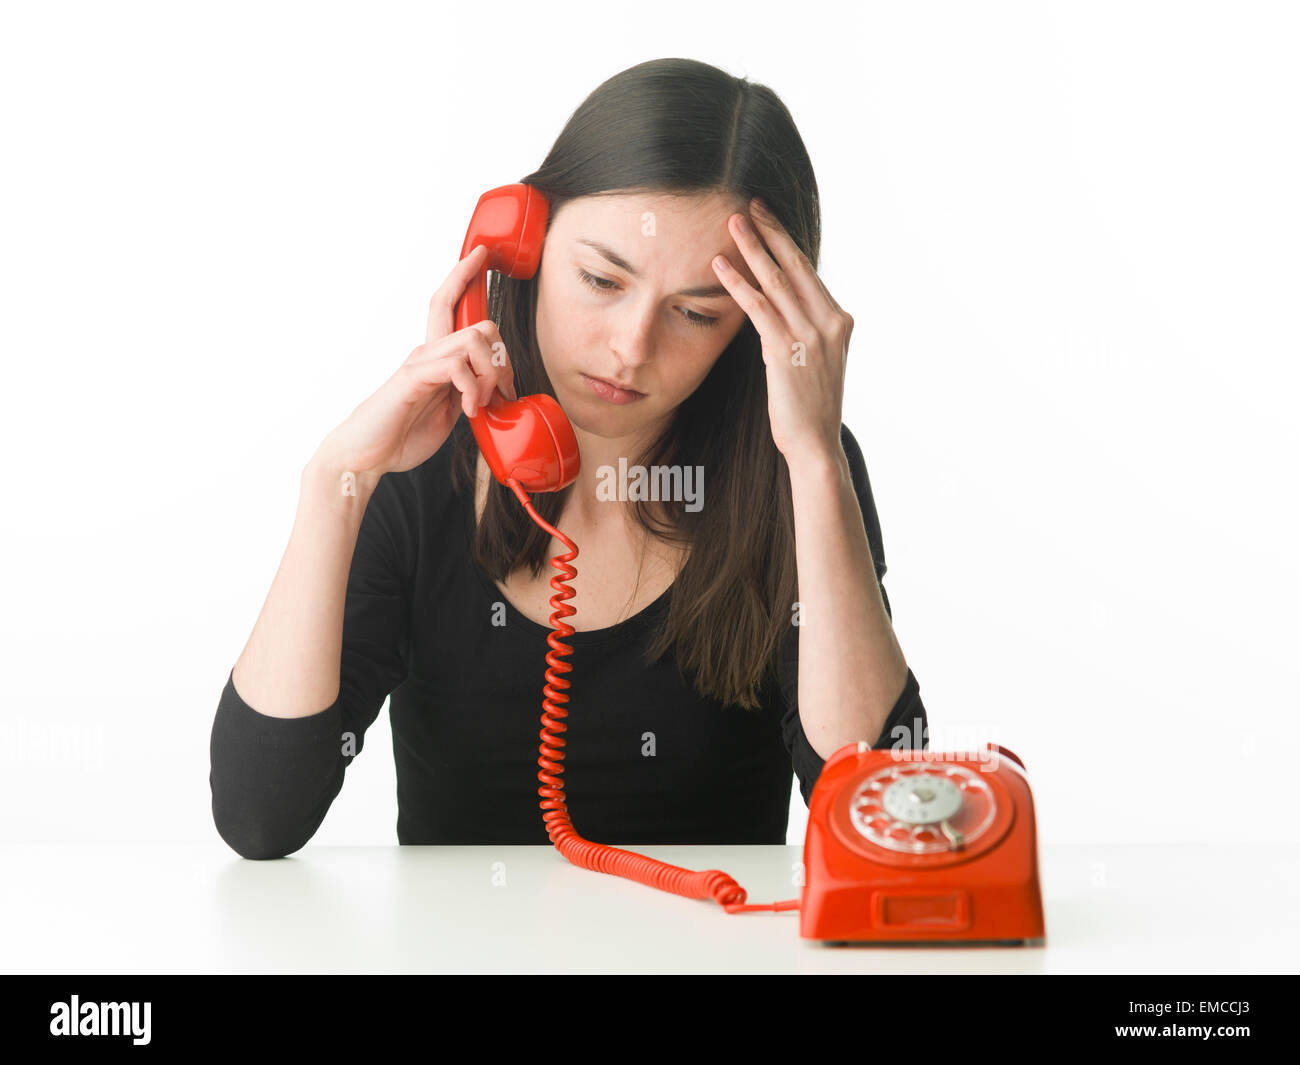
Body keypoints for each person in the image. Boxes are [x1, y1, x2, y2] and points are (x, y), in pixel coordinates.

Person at [210, 57, 927, 859]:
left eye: (695, 313)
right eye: (599, 277)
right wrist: (332, 485)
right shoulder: (416, 469)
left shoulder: (795, 473)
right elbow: (259, 817)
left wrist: (817, 460)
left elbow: (884, 819)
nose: (630, 348)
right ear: (521, 244)